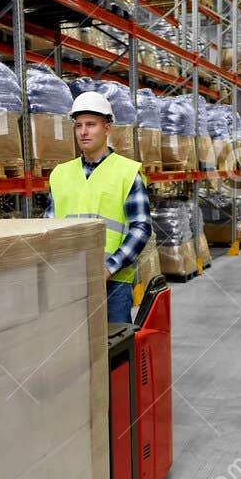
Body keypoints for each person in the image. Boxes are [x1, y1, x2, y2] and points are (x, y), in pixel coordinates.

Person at [45, 90, 151, 323]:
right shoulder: (60, 173)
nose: (83, 132)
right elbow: (49, 227)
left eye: (91, 124)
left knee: (112, 352)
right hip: (68, 282)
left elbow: (141, 228)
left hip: (112, 283)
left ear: (107, 128)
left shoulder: (127, 172)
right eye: (78, 125)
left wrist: (108, 268)